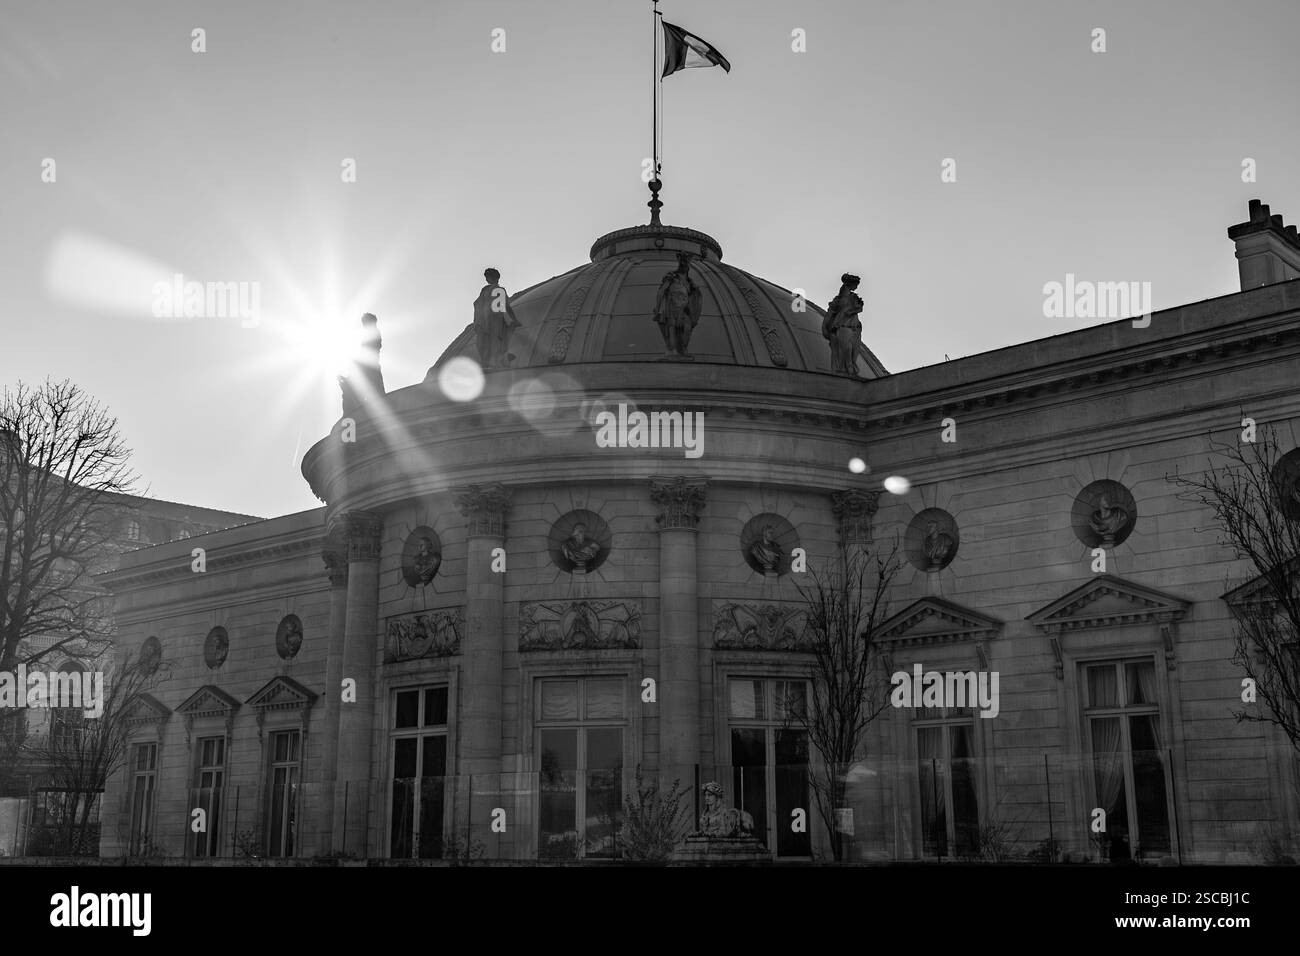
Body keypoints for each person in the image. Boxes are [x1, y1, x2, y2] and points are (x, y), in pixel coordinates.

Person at [653, 253, 702, 357]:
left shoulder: (690, 281)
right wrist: (657, 308)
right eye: (683, 262)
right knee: (672, 327)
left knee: (687, 327)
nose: (684, 265)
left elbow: (695, 296)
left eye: (686, 263)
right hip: (672, 307)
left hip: (684, 309)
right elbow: (661, 291)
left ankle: (683, 349)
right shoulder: (672, 276)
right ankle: (673, 350)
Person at [473, 268, 520, 368]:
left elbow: (504, 306)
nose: (486, 279)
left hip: (495, 320)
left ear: (494, 277)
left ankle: (494, 360)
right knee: (483, 342)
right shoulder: (485, 290)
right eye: (486, 277)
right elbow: (478, 303)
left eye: (488, 277)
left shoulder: (499, 290)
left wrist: (512, 319)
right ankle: (488, 360)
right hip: (485, 319)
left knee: (494, 340)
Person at [823, 274, 864, 376]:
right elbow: (830, 314)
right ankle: (846, 369)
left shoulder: (854, 298)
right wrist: (825, 327)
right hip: (842, 326)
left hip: (855, 327)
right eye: (856, 284)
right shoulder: (838, 300)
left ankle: (849, 368)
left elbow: (859, 308)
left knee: (854, 350)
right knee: (846, 348)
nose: (856, 287)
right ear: (850, 284)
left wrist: (851, 310)